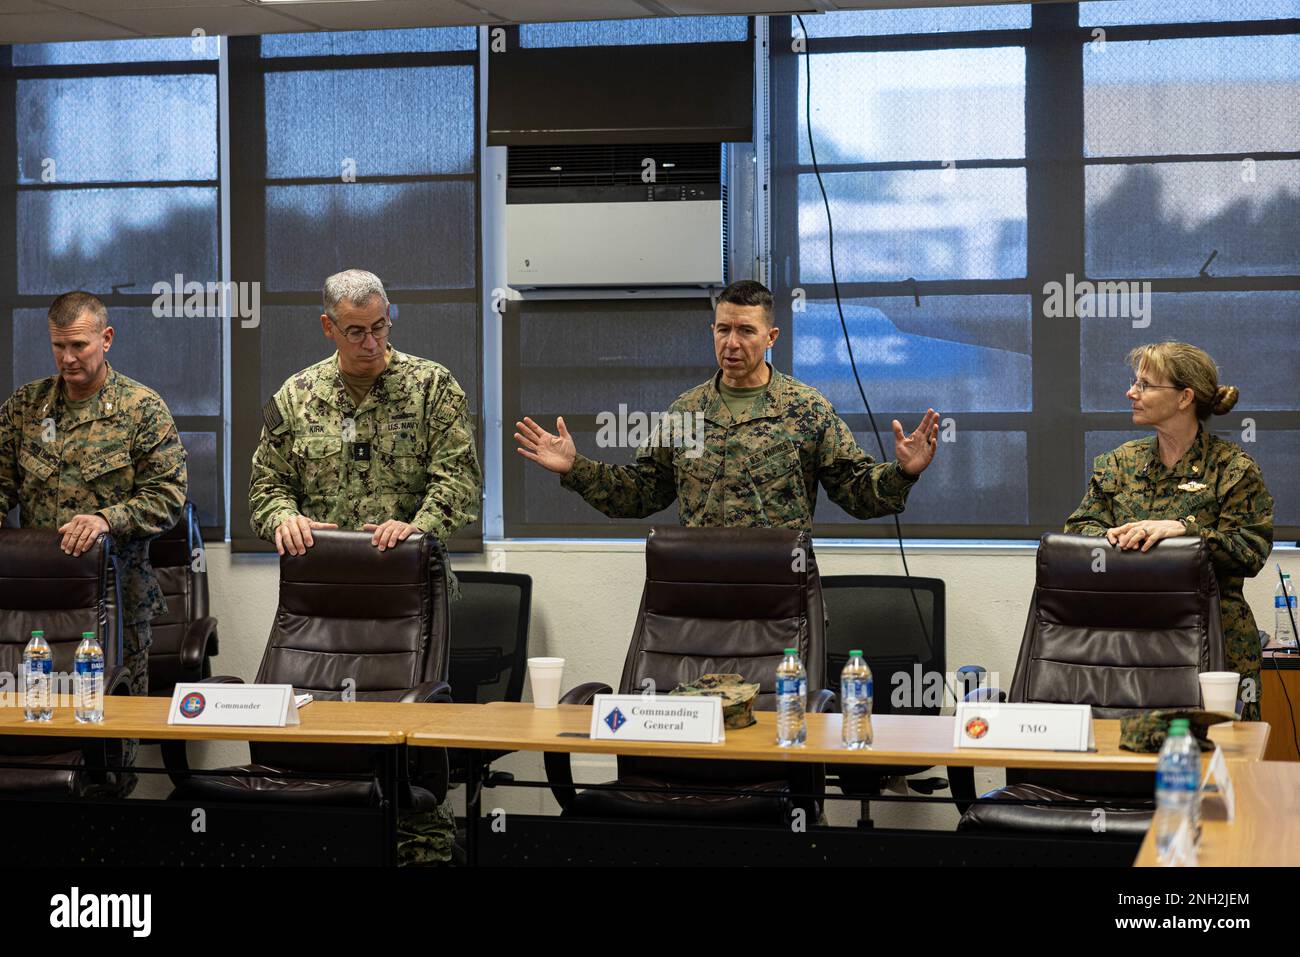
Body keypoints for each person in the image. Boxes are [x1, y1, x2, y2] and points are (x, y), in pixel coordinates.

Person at [248, 268, 480, 864]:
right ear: (328, 327)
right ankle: (316, 833)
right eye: (355, 331)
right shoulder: (296, 397)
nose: (370, 341)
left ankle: (420, 844)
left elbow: (459, 480)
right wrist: (282, 517)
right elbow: (265, 489)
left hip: (412, 601)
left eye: (379, 326)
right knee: (321, 736)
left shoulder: (432, 387)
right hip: (320, 604)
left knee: (409, 733)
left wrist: (419, 526)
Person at [514, 279, 940, 529]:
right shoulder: (687, 412)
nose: (731, 343)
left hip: (779, 588)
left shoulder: (805, 409)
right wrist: (576, 467)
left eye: (746, 331)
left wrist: (902, 472)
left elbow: (856, 492)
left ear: (770, 338)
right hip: (701, 589)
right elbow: (642, 493)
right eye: (722, 329)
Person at [1065, 342, 1274, 720]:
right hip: (1132, 645)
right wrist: (1115, 538)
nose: (1132, 392)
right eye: (1135, 382)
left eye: (1146, 385)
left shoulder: (1232, 468)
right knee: (1131, 757)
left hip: (1215, 647)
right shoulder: (1119, 464)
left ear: (1185, 397)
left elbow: (1250, 550)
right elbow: (1079, 530)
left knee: (1224, 765)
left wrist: (1184, 531)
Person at [0, 291, 188, 700]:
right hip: (36, 601)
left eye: (79, 345)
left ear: (106, 339)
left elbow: (168, 496)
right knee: (34, 721)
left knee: (116, 736)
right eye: (59, 346)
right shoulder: (25, 408)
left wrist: (107, 519)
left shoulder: (142, 409)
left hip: (118, 597)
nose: (68, 358)